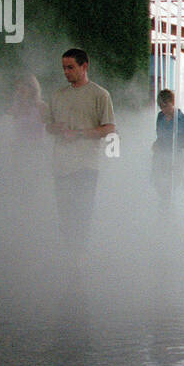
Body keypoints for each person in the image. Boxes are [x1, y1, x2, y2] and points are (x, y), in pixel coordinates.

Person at [45, 48, 116, 247]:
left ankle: (80, 254)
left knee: (83, 213)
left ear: (84, 66)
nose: (66, 72)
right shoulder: (57, 95)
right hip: (61, 164)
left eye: (70, 67)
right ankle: (69, 252)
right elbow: (48, 126)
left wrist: (78, 134)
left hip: (86, 164)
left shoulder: (100, 95)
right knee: (65, 214)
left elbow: (110, 129)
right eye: (64, 68)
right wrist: (55, 128)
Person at [152, 88, 184, 208]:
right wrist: (156, 144)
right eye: (161, 106)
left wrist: (180, 167)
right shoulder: (160, 117)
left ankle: (170, 222)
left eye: (166, 106)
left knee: (171, 198)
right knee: (160, 196)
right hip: (159, 164)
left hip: (175, 165)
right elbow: (160, 138)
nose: (163, 109)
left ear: (173, 102)